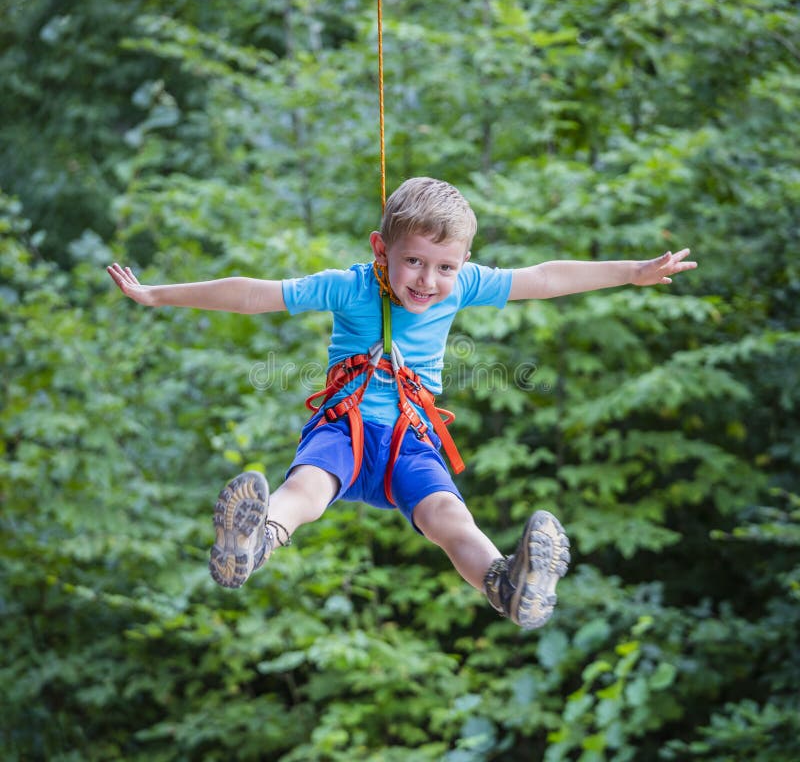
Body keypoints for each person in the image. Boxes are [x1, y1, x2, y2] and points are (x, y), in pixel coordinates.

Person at [107, 176, 696, 630]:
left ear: (462, 264)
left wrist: (631, 272)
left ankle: (506, 583)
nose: (428, 280)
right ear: (380, 249)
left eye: (446, 267)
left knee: (448, 517)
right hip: (347, 425)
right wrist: (158, 294)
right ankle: (253, 542)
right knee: (308, 486)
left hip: (412, 438)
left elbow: (542, 277)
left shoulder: (462, 285)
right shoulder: (349, 284)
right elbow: (255, 294)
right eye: (413, 260)